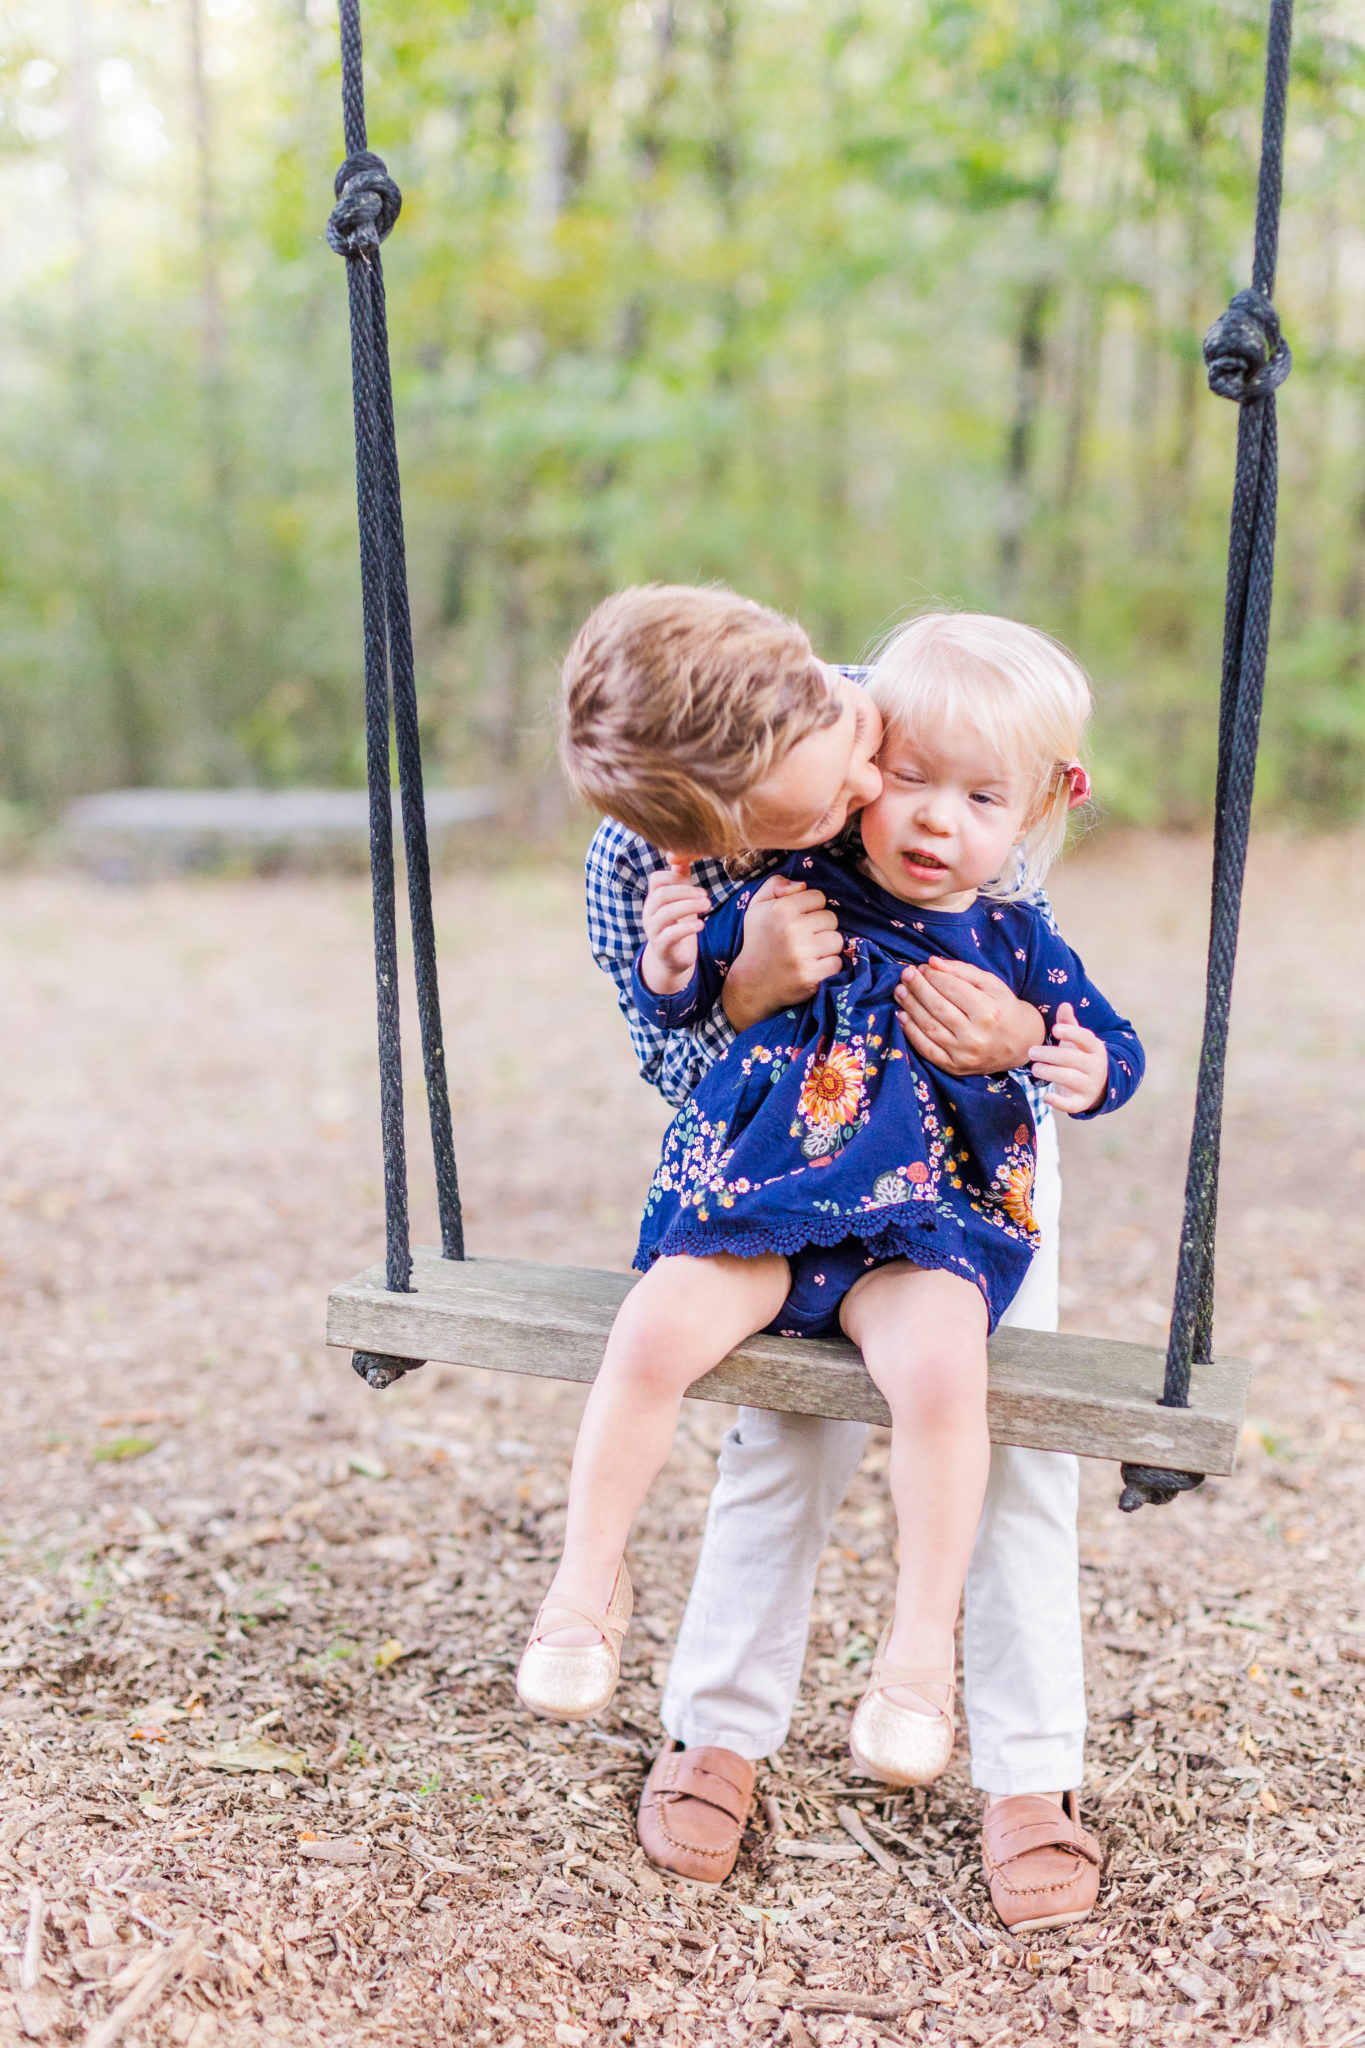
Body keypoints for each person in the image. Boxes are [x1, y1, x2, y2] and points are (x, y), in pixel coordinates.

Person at [545, 586, 1115, 1930]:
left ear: (820, 694)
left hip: (961, 1148)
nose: (872, 801)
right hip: (788, 1153)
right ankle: (718, 1731)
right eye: (800, 829)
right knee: (778, 1440)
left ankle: (1029, 1774)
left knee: (1009, 1435)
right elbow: (669, 1059)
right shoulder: (641, 855)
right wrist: (736, 986)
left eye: (850, 773)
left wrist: (1017, 1049)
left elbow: (1009, 932)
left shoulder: (934, 712)